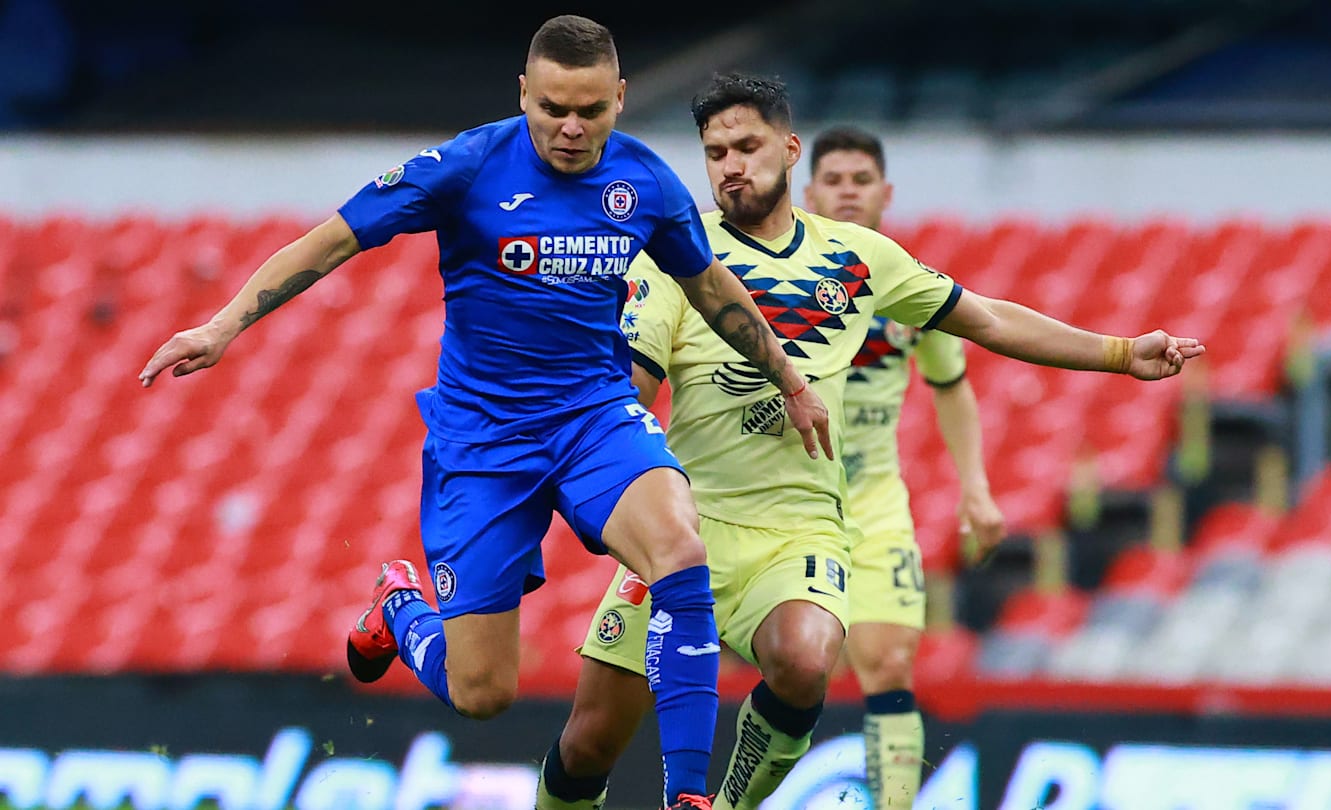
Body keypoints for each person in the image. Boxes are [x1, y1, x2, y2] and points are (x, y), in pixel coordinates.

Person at [136, 18, 833, 810]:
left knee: (678, 549)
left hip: (595, 417)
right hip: (484, 443)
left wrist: (790, 379)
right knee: (483, 694)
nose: (572, 128)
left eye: (593, 110)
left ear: (621, 99)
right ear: (524, 93)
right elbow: (330, 241)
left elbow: (712, 290)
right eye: (553, 108)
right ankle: (400, 606)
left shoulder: (645, 182)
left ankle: (687, 796)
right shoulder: (466, 165)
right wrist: (223, 325)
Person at [533, 73, 1204, 810]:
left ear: (789, 150)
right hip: (684, 529)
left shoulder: (857, 257)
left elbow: (986, 319)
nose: (730, 164)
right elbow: (632, 387)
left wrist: (1117, 353)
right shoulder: (677, 258)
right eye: (715, 150)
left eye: (747, 146)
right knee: (589, 741)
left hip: (800, 531)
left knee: (807, 656)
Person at [804, 126, 1004, 808]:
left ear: (885, 194)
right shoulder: (767, 276)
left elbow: (952, 387)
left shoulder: (914, 292)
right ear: (809, 192)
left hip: (873, 502)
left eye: (862, 180)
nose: (848, 191)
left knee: (888, 662)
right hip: (782, 502)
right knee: (794, 667)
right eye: (834, 179)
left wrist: (975, 487)